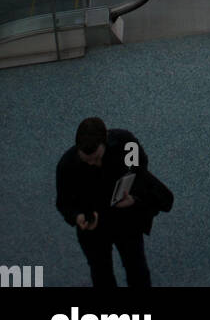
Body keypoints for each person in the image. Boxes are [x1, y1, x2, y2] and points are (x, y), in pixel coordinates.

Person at [55, 117, 164, 288]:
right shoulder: (67, 166)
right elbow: (64, 202)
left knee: (137, 269)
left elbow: (139, 169)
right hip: (94, 227)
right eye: (88, 161)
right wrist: (78, 217)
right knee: (101, 274)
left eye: (97, 158)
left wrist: (133, 198)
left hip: (125, 218)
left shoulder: (126, 143)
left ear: (105, 142)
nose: (94, 163)